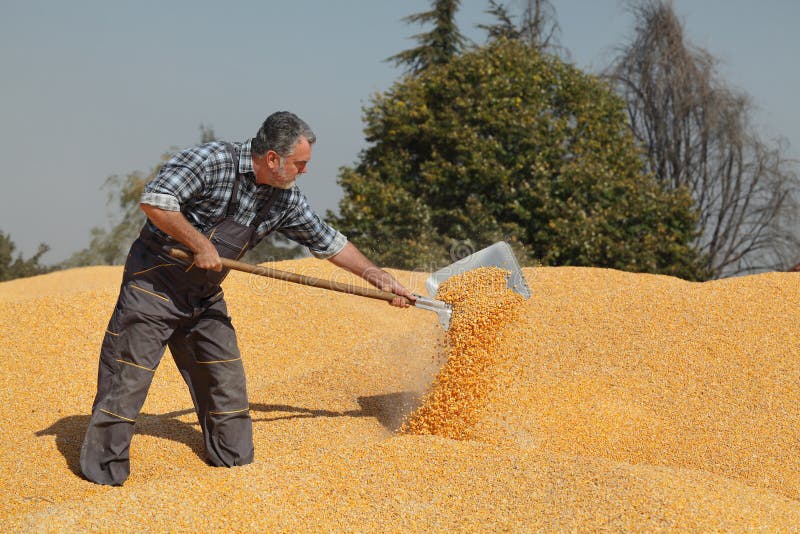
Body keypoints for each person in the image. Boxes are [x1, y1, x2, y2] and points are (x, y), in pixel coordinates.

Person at [80, 111, 416, 486]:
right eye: (300, 164)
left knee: (226, 384)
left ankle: (234, 472)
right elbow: (156, 202)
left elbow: (328, 241)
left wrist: (378, 278)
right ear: (273, 158)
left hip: (203, 296)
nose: (304, 171)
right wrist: (199, 242)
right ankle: (102, 480)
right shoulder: (211, 162)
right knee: (127, 380)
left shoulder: (285, 199)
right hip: (154, 286)